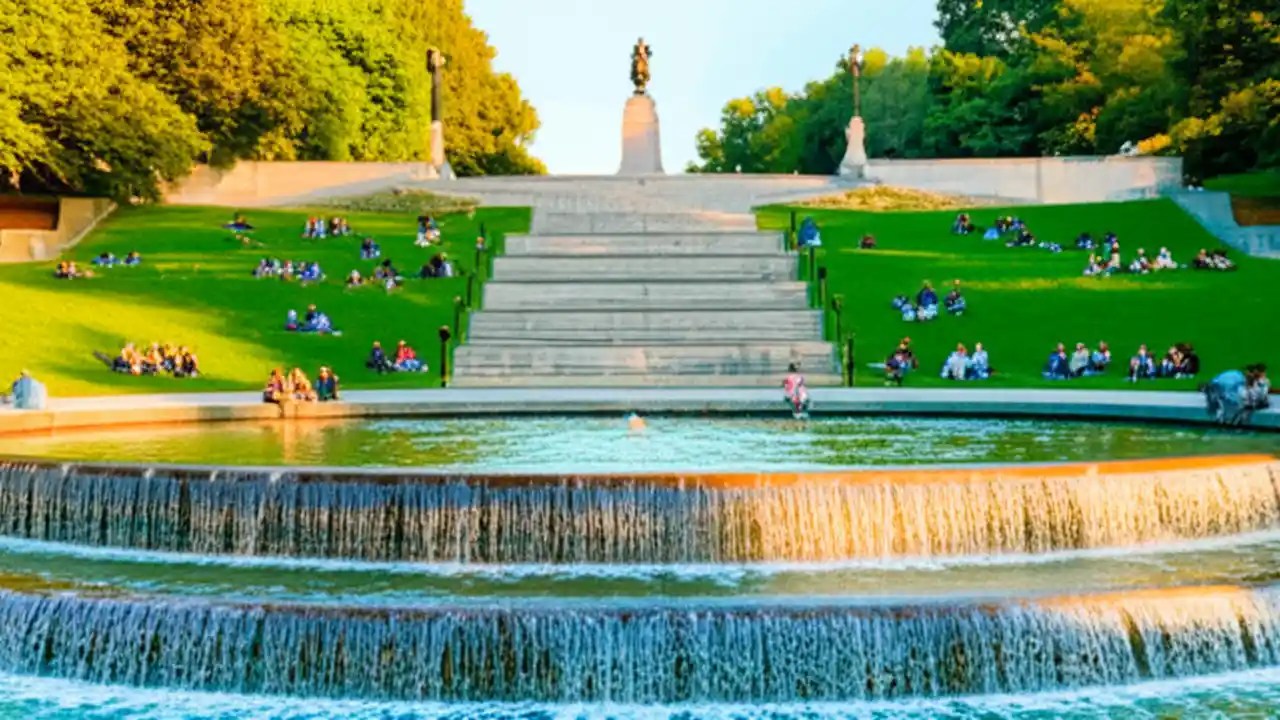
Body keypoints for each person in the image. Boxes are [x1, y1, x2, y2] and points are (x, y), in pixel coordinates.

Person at [1205, 364, 1270, 425]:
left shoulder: (1258, 382)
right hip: (1245, 402)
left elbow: (1258, 395)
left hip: (1250, 403)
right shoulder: (1242, 381)